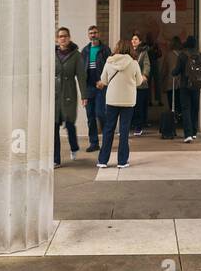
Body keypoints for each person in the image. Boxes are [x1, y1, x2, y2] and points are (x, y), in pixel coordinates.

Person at [96, 38, 146, 169]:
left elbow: (104, 80)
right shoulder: (134, 63)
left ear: (117, 48)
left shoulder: (109, 62)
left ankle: (103, 160)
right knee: (124, 131)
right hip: (128, 101)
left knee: (108, 129)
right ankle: (122, 161)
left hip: (112, 100)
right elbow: (139, 82)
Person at [54, 27, 87, 166]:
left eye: (65, 36)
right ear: (57, 39)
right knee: (54, 126)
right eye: (60, 36)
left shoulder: (76, 55)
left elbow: (81, 76)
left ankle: (74, 147)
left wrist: (84, 95)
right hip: (54, 95)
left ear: (69, 38)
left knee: (69, 124)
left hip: (69, 94)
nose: (63, 38)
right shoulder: (52, 54)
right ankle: (56, 159)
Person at [81, 25, 111, 153]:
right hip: (89, 87)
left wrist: (104, 81)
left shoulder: (105, 49)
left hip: (101, 87)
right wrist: (83, 93)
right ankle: (94, 143)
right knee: (90, 116)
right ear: (88, 35)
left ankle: (106, 142)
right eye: (91, 33)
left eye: (95, 32)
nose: (93, 35)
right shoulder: (85, 51)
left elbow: (111, 67)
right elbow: (81, 71)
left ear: (99, 34)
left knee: (101, 114)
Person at [172, 35, 201, 142]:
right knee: (195, 108)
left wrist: (173, 72)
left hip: (185, 86)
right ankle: (194, 132)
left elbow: (177, 70)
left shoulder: (182, 55)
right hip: (196, 87)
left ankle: (188, 134)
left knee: (186, 109)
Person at [130, 33, 151, 136]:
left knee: (139, 107)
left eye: (136, 39)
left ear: (140, 41)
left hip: (140, 85)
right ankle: (130, 125)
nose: (133, 41)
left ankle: (138, 127)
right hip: (130, 84)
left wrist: (145, 75)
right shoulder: (128, 52)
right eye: (132, 39)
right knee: (130, 106)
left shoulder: (143, 53)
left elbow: (147, 65)